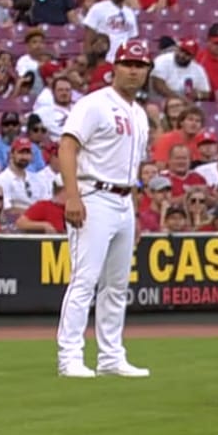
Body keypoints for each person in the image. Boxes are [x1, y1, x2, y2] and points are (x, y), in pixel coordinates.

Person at [54, 39, 153, 379]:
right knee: (85, 280)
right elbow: (67, 146)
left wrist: (135, 212)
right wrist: (72, 196)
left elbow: (134, 170)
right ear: (115, 66)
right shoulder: (94, 103)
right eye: (127, 63)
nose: (133, 71)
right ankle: (70, 357)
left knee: (117, 285)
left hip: (124, 199)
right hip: (93, 194)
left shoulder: (140, 113)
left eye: (140, 66)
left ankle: (111, 355)